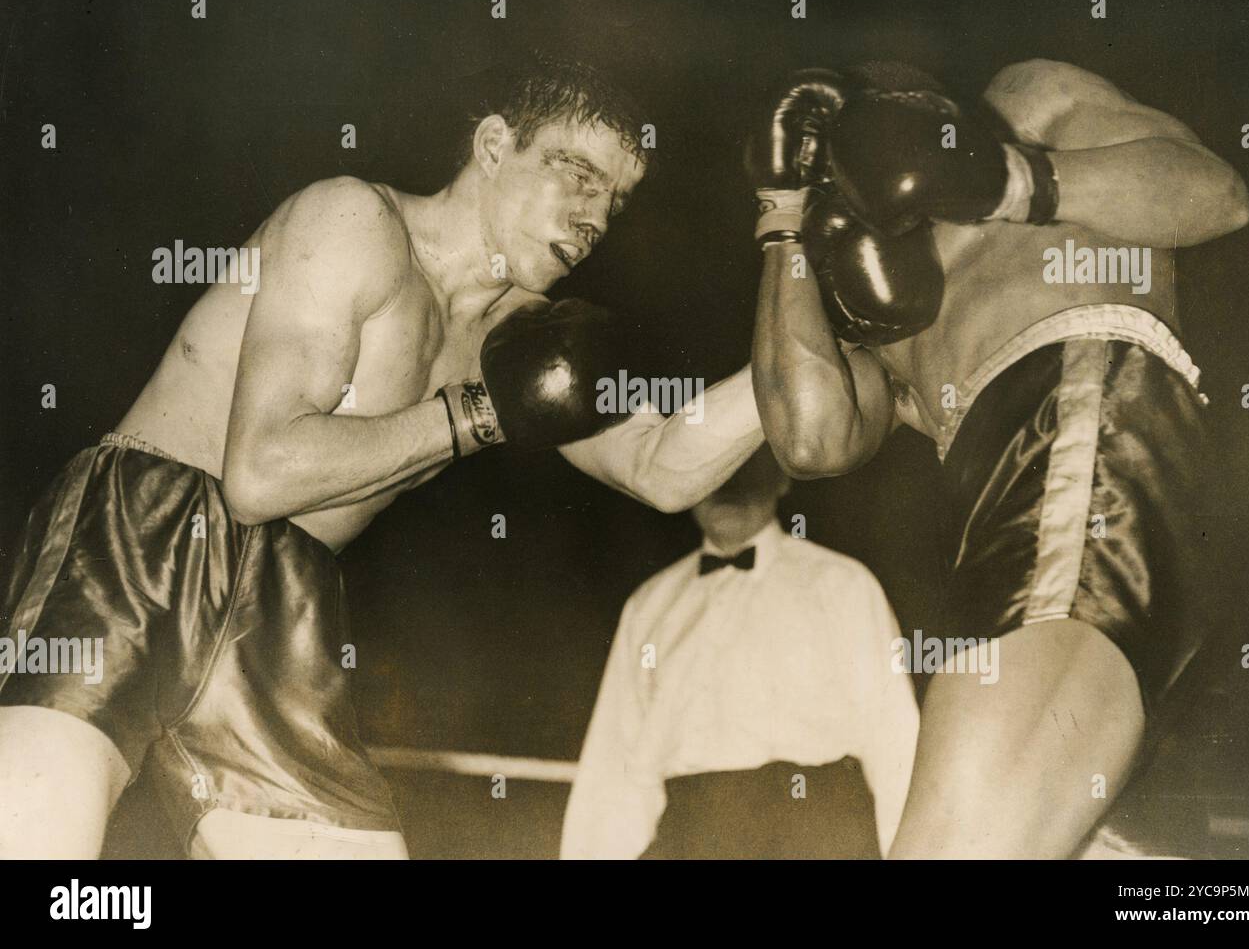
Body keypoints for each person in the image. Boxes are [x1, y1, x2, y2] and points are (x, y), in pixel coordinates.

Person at [0, 55, 764, 860]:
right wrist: (471, 414)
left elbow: (660, 466)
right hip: (140, 537)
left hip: (284, 598)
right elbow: (259, 474)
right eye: (577, 174)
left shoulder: (518, 336)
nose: (593, 219)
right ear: (495, 144)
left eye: (614, 200)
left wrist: (808, 333)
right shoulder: (352, 222)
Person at [749, 58, 1249, 858]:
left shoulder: (1028, 102)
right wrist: (782, 217)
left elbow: (1217, 195)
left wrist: (1006, 183)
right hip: (1014, 522)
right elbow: (812, 438)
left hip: (1088, 430)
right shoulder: (872, 284)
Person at [561, 446, 918, 859]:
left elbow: (898, 751)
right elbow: (614, 775)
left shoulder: (844, 586)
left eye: (748, 466)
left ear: (784, 476)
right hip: (691, 840)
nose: (729, 485)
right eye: (714, 467)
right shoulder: (649, 607)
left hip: (817, 837)